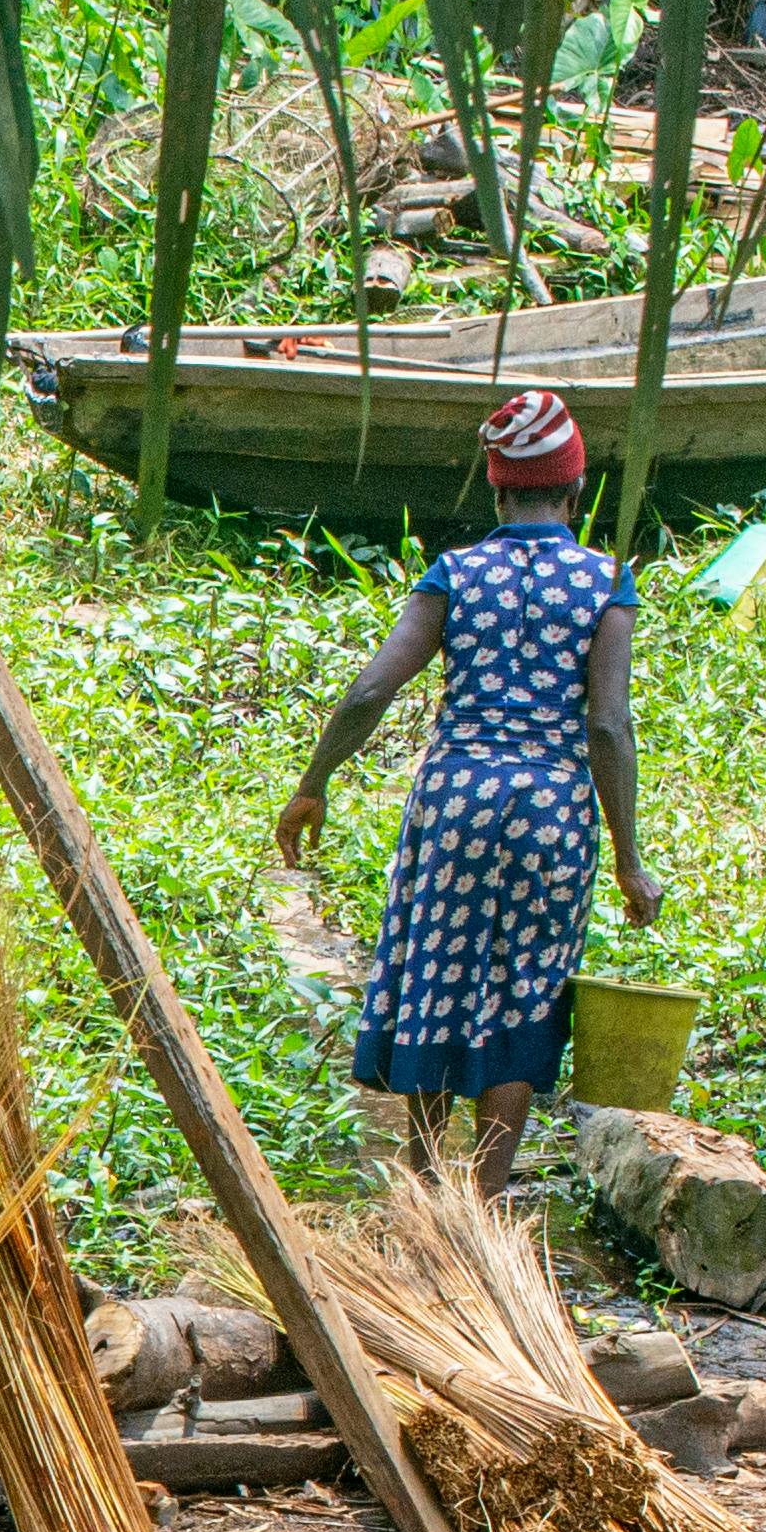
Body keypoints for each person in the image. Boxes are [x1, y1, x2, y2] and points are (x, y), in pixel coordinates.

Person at [277, 388, 660, 1188]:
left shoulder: (457, 573)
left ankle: (421, 1175)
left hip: (454, 800)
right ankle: (484, 1195)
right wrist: (629, 858)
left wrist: (314, 782)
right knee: (528, 988)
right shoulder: (605, 584)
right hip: (552, 810)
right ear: (575, 487)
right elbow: (608, 726)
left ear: (497, 486)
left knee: (436, 973)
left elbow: (369, 693)